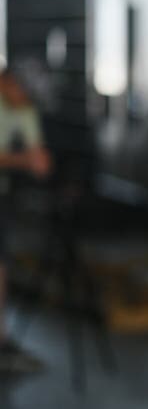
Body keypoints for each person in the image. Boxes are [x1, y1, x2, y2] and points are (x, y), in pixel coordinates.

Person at [0, 70, 50, 374]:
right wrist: (22, 161)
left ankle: (1, 340)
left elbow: (37, 155)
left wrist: (39, 161)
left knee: (1, 266)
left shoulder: (24, 107)